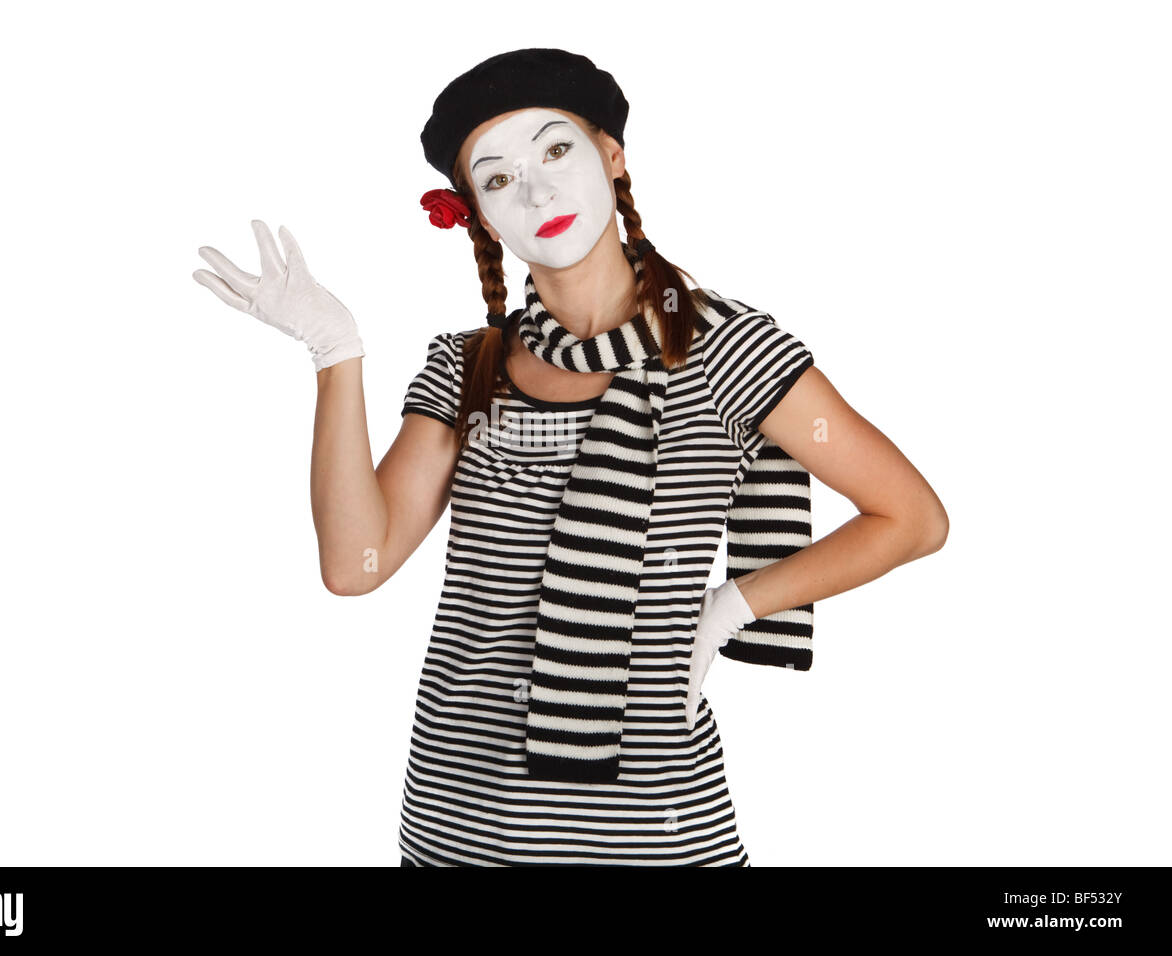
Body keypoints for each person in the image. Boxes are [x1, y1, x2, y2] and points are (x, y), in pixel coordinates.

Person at [192, 48, 948, 866]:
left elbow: (911, 518)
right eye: (498, 178)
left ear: (611, 156)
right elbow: (356, 563)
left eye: (556, 151)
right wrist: (334, 352)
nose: (539, 190)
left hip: (654, 825)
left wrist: (731, 606)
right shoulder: (466, 367)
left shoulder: (728, 353)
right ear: (478, 214)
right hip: (461, 820)